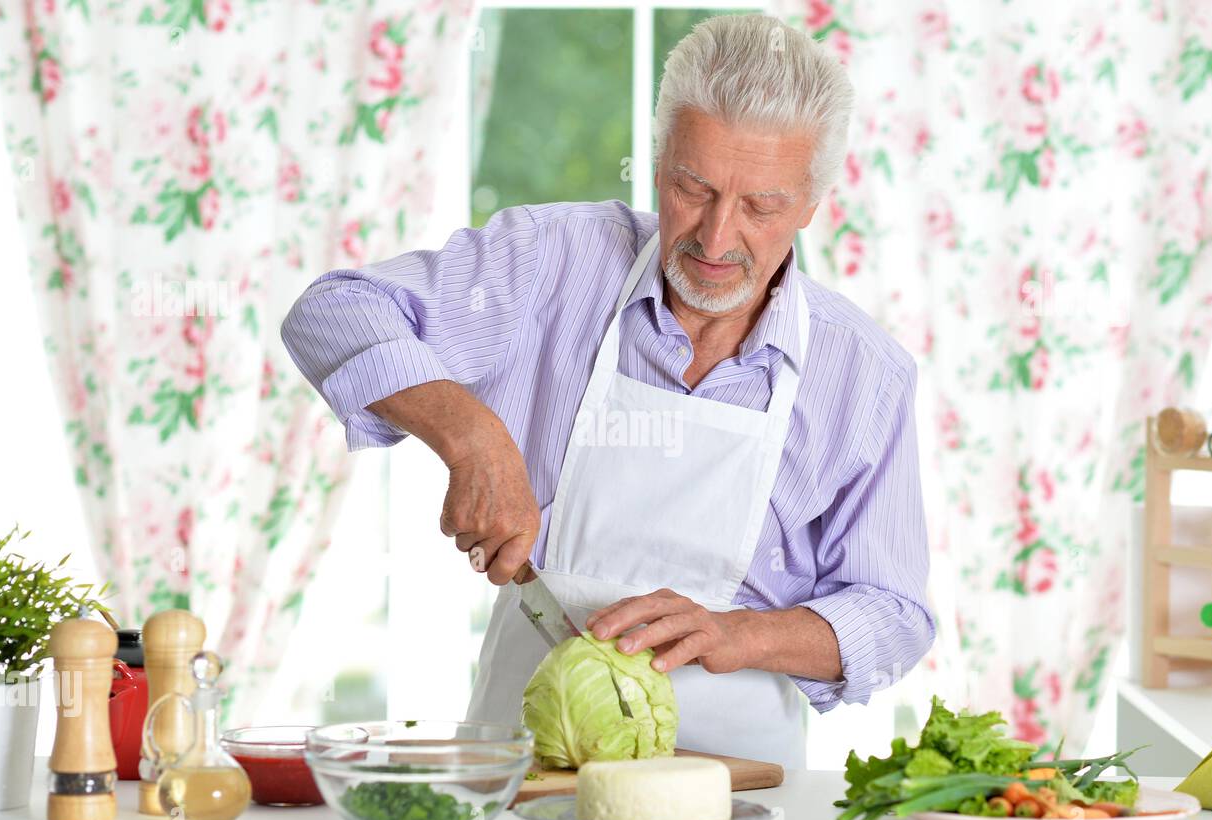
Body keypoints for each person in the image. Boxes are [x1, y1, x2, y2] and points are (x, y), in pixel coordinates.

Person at [282, 13, 935, 768]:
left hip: (739, 793)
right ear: (658, 161)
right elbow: (330, 310)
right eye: (693, 187)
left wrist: (739, 635)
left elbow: (894, 612)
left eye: (761, 206)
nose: (717, 238)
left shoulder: (864, 375)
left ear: (813, 204)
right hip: (523, 774)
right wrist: (471, 431)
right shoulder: (553, 263)